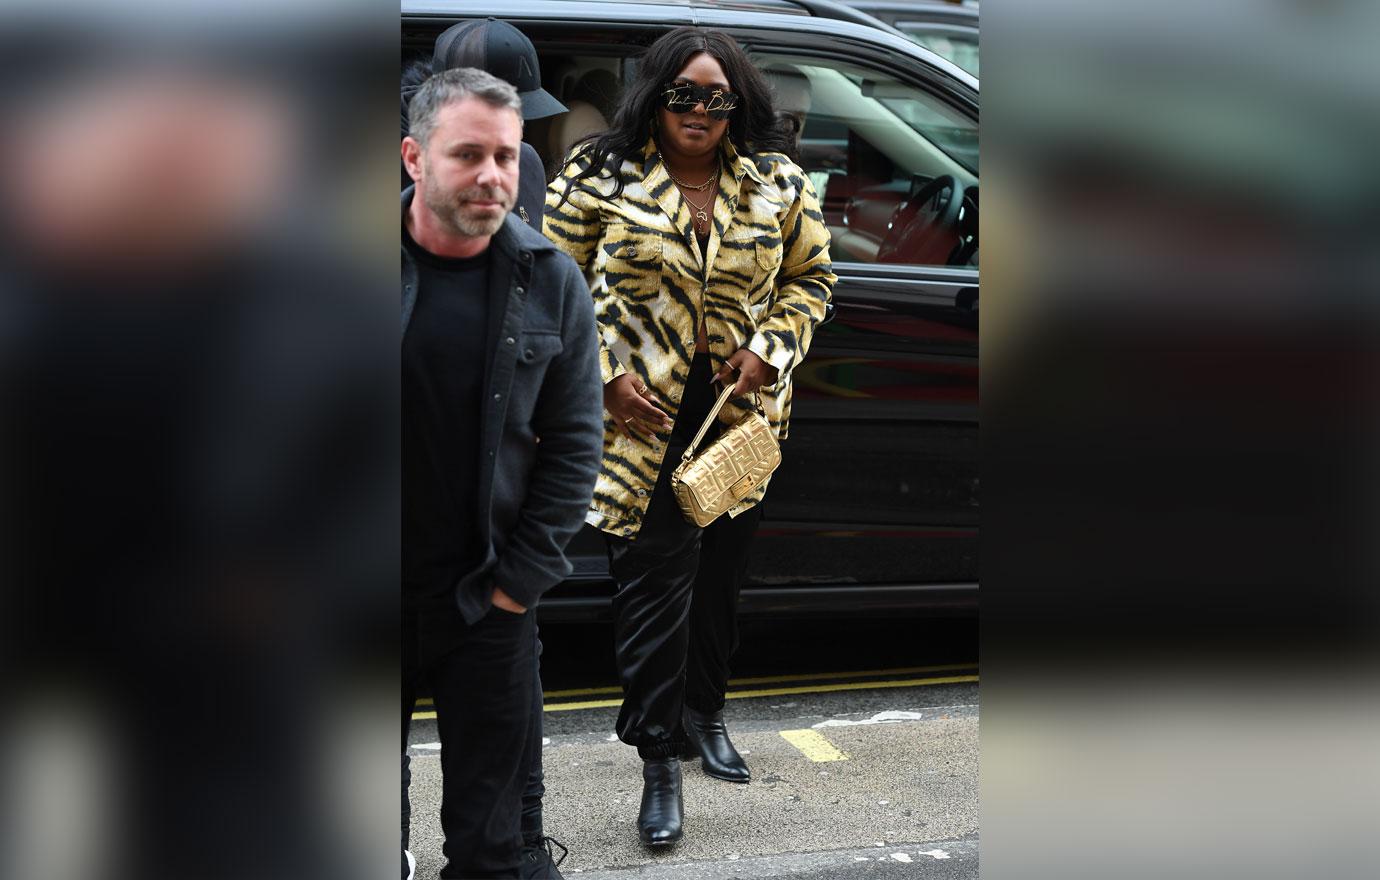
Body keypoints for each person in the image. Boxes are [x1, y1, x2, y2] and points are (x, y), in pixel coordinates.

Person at [544, 27, 835, 847]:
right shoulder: (599, 173)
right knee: (652, 596)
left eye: (716, 97)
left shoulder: (776, 178)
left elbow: (812, 279)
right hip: (639, 421)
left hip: (738, 416)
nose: (699, 110)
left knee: (723, 580)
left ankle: (706, 712)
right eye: (683, 94)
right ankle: (659, 759)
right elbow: (546, 287)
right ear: (655, 96)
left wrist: (766, 350)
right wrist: (600, 377)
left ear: (737, 104)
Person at [401, 67, 602, 879]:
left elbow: (576, 446)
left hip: (485, 604)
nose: (492, 175)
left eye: (508, 156)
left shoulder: (551, 279)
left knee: (492, 849)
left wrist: (517, 586)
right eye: (468, 154)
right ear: (415, 158)